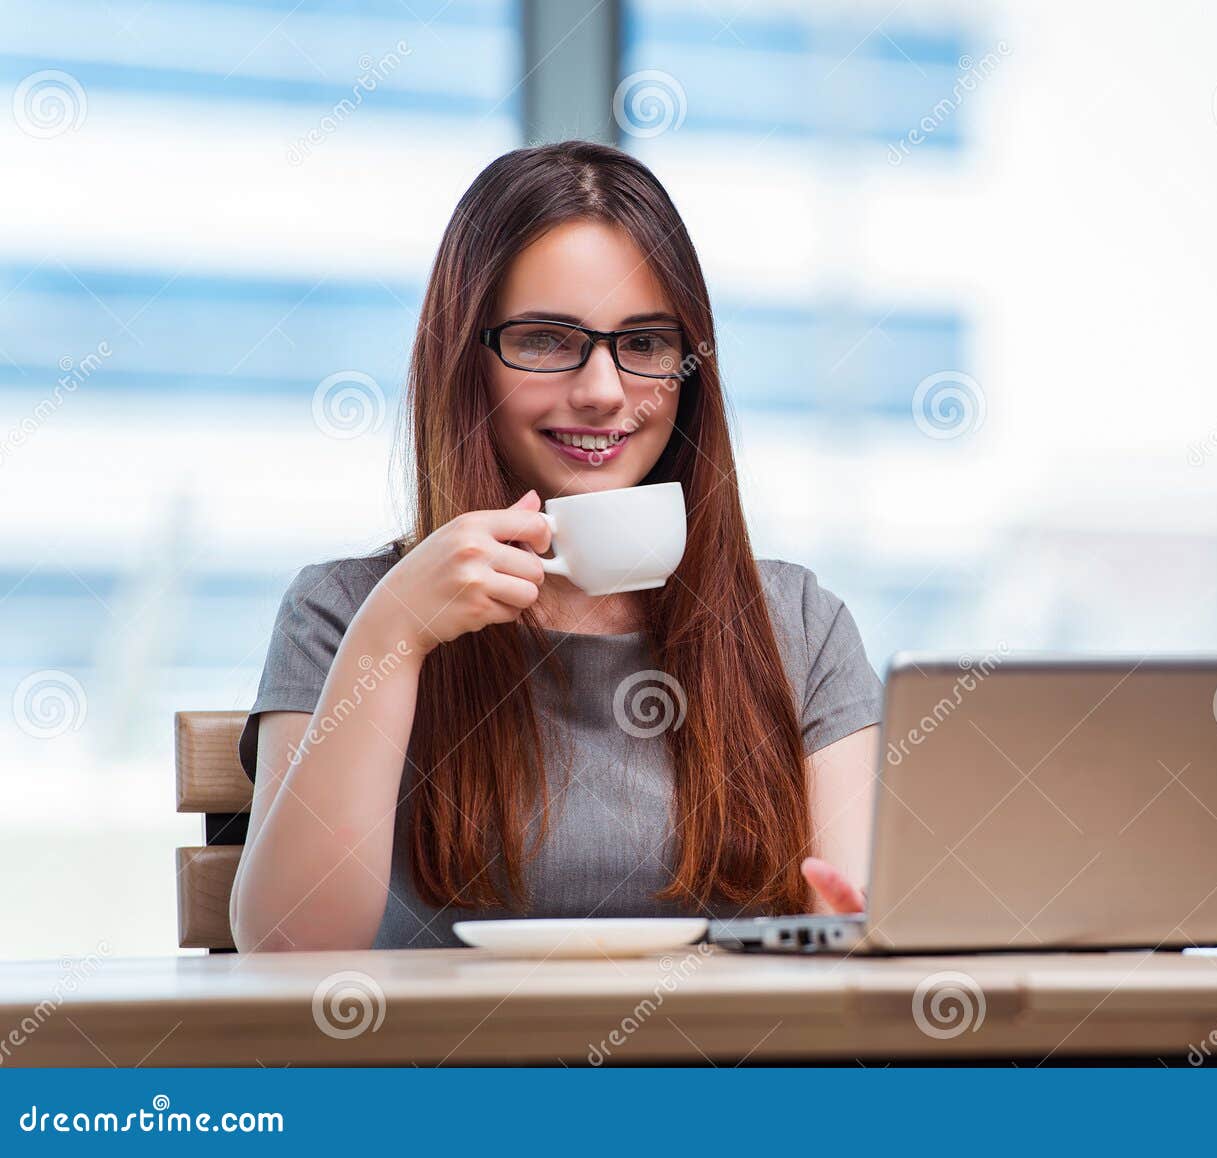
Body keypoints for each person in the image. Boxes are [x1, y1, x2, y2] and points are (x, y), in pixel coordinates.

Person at [229, 142, 881, 952]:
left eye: (644, 344)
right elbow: (292, 951)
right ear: (464, 361)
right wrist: (394, 636)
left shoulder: (800, 625)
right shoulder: (344, 612)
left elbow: (860, 923)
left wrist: (847, 935)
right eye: (546, 339)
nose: (604, 391)